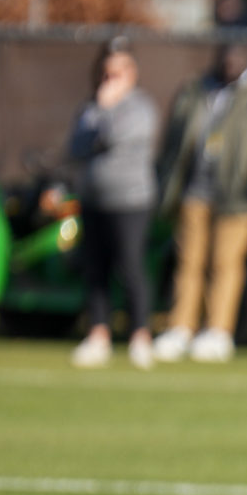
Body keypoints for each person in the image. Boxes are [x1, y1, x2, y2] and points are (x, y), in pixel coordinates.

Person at [150, 43, 247, 363]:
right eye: (225, 57)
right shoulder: (195, 89)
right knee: (188, 261)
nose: (230, 63)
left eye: (237, 58)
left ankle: (218, 331)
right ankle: (181, 328)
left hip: (241, 195)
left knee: (225, 263)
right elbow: (173, 139)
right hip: (195, 190)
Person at [67, 39, 160, 370]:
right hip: (94, 201)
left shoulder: (139, 107)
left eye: (119, 71)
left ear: (131, 73)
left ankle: (139, 336)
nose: (111, 77)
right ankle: (98, 334)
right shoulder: (89, 106)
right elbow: (76, 146)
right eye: (108, 71)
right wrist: (99, 115)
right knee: (96, 271)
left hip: (130, 201)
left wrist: (105, 110)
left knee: (131, 268)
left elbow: (110, 138)